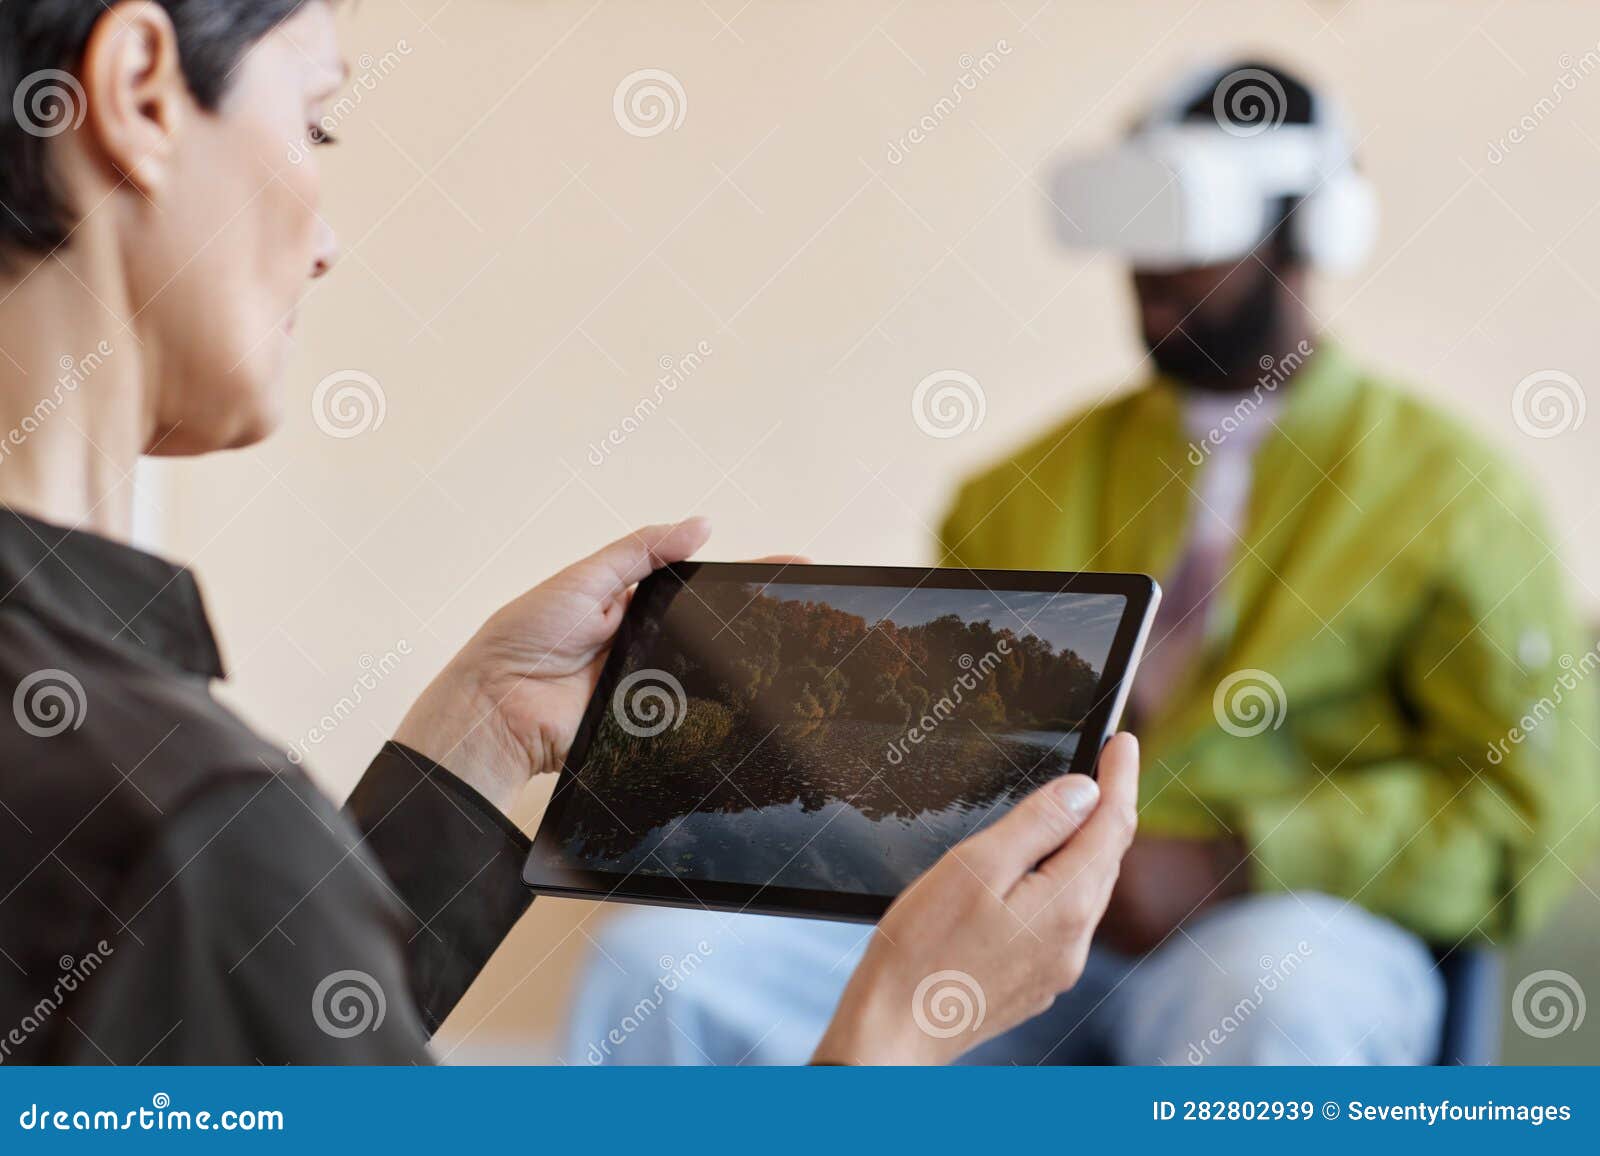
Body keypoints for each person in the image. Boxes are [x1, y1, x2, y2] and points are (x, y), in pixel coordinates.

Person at [0, 0, 1142, 1065]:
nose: (329, 243)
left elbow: (243, 1031)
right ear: (140, 93)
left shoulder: (141, 801)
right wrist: (895, 1030)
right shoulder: (194, 830)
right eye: (313, 122)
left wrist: (483, 727)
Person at [570, 61, 1599, 1065]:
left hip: (1273, 922)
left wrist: (1235, 859)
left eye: (1192, 223)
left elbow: (1523, 813)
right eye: (1136, 221)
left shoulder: (1456, 498)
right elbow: (946, 762)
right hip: (1013, 912)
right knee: (660, 967)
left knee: (1274, 1004)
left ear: (1309, 229)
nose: (1151, 264)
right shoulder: (1015, 490)